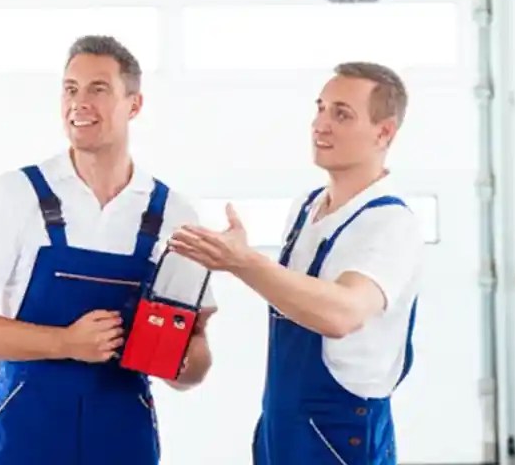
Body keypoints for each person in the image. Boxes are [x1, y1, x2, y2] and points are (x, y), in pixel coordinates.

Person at [0, 35, 217, 465]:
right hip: (25, 438)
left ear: (135, 104)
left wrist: (177, 358)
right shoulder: (19, 194)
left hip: (122, 438)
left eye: (98, 89)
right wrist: (68, 342)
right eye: (70, 89)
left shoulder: (172, 214)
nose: (79, 102)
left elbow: (194, 363)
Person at [169, 61, 424, 465]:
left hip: (340, 435)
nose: (320, 124)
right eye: (320, 108)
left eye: (341, 114)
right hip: (282, 424)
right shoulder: (307, 208)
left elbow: (342, 313)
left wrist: (243, 262)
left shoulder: (389, 222)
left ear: (384, 132)